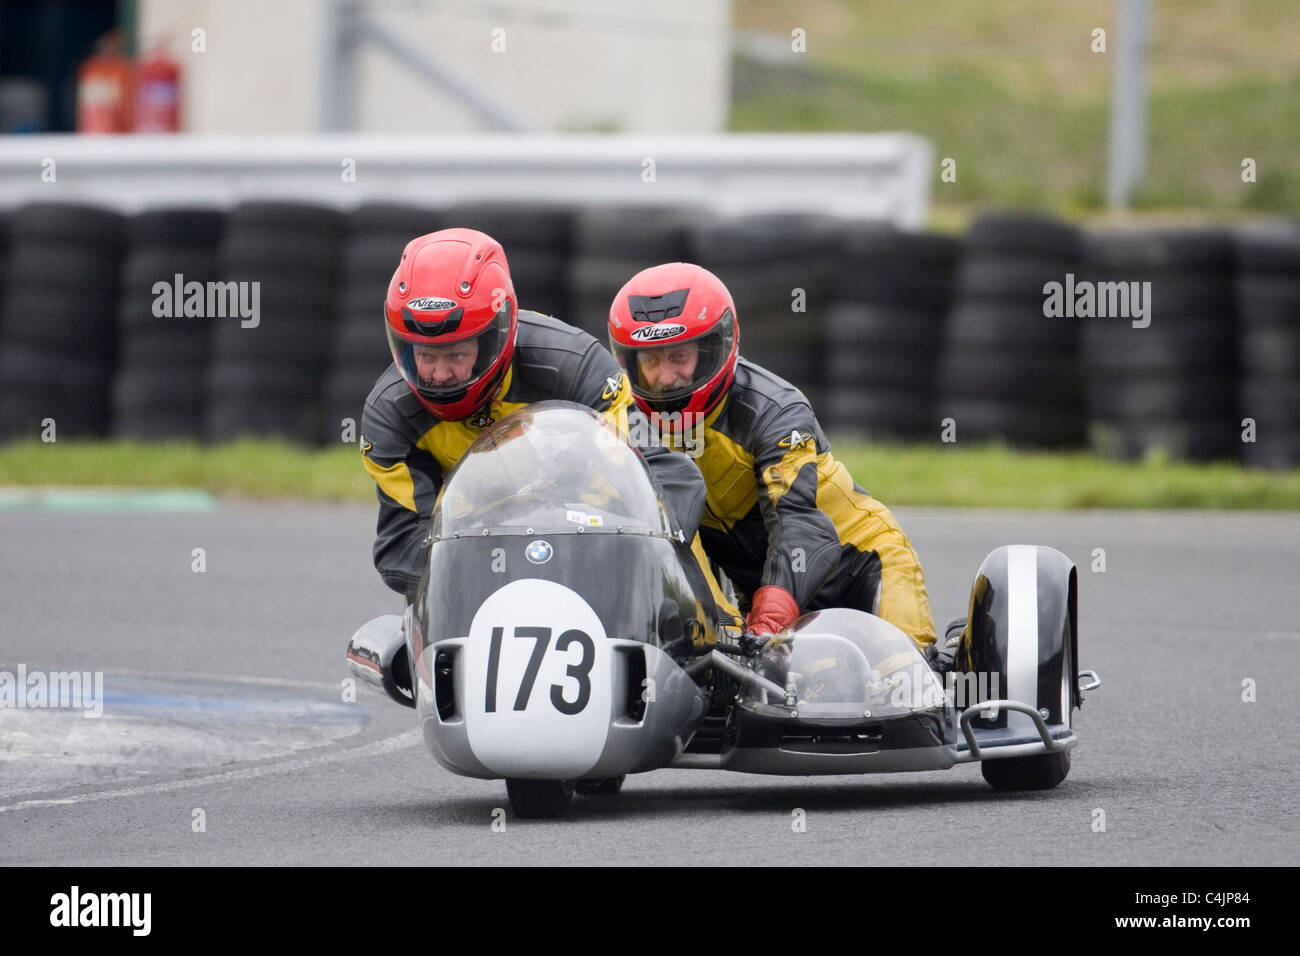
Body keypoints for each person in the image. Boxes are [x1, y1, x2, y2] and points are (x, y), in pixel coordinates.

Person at [607, 262, 947, 663]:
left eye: (680, 356)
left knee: (902, 682)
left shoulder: (775, 412)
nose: (666, 378)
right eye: (651, 362)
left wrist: (768, 622)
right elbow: (657, 541)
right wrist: (723, 630)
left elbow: (799, 526)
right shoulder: (627, 426)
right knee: (718, 678)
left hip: (861, 566)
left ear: (716, 346)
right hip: (758, 591)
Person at [360, 228, 709, 603]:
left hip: (597, 541)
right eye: (426, 356)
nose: (440, 375)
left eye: (457, 355)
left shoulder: (576, 368)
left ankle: (716, 622)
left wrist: (626, 553)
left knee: (695, 627)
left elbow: (668, 477)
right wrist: (500, 569)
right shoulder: (390, 413)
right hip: (479, 567)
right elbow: (404, 543)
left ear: (496, 335)